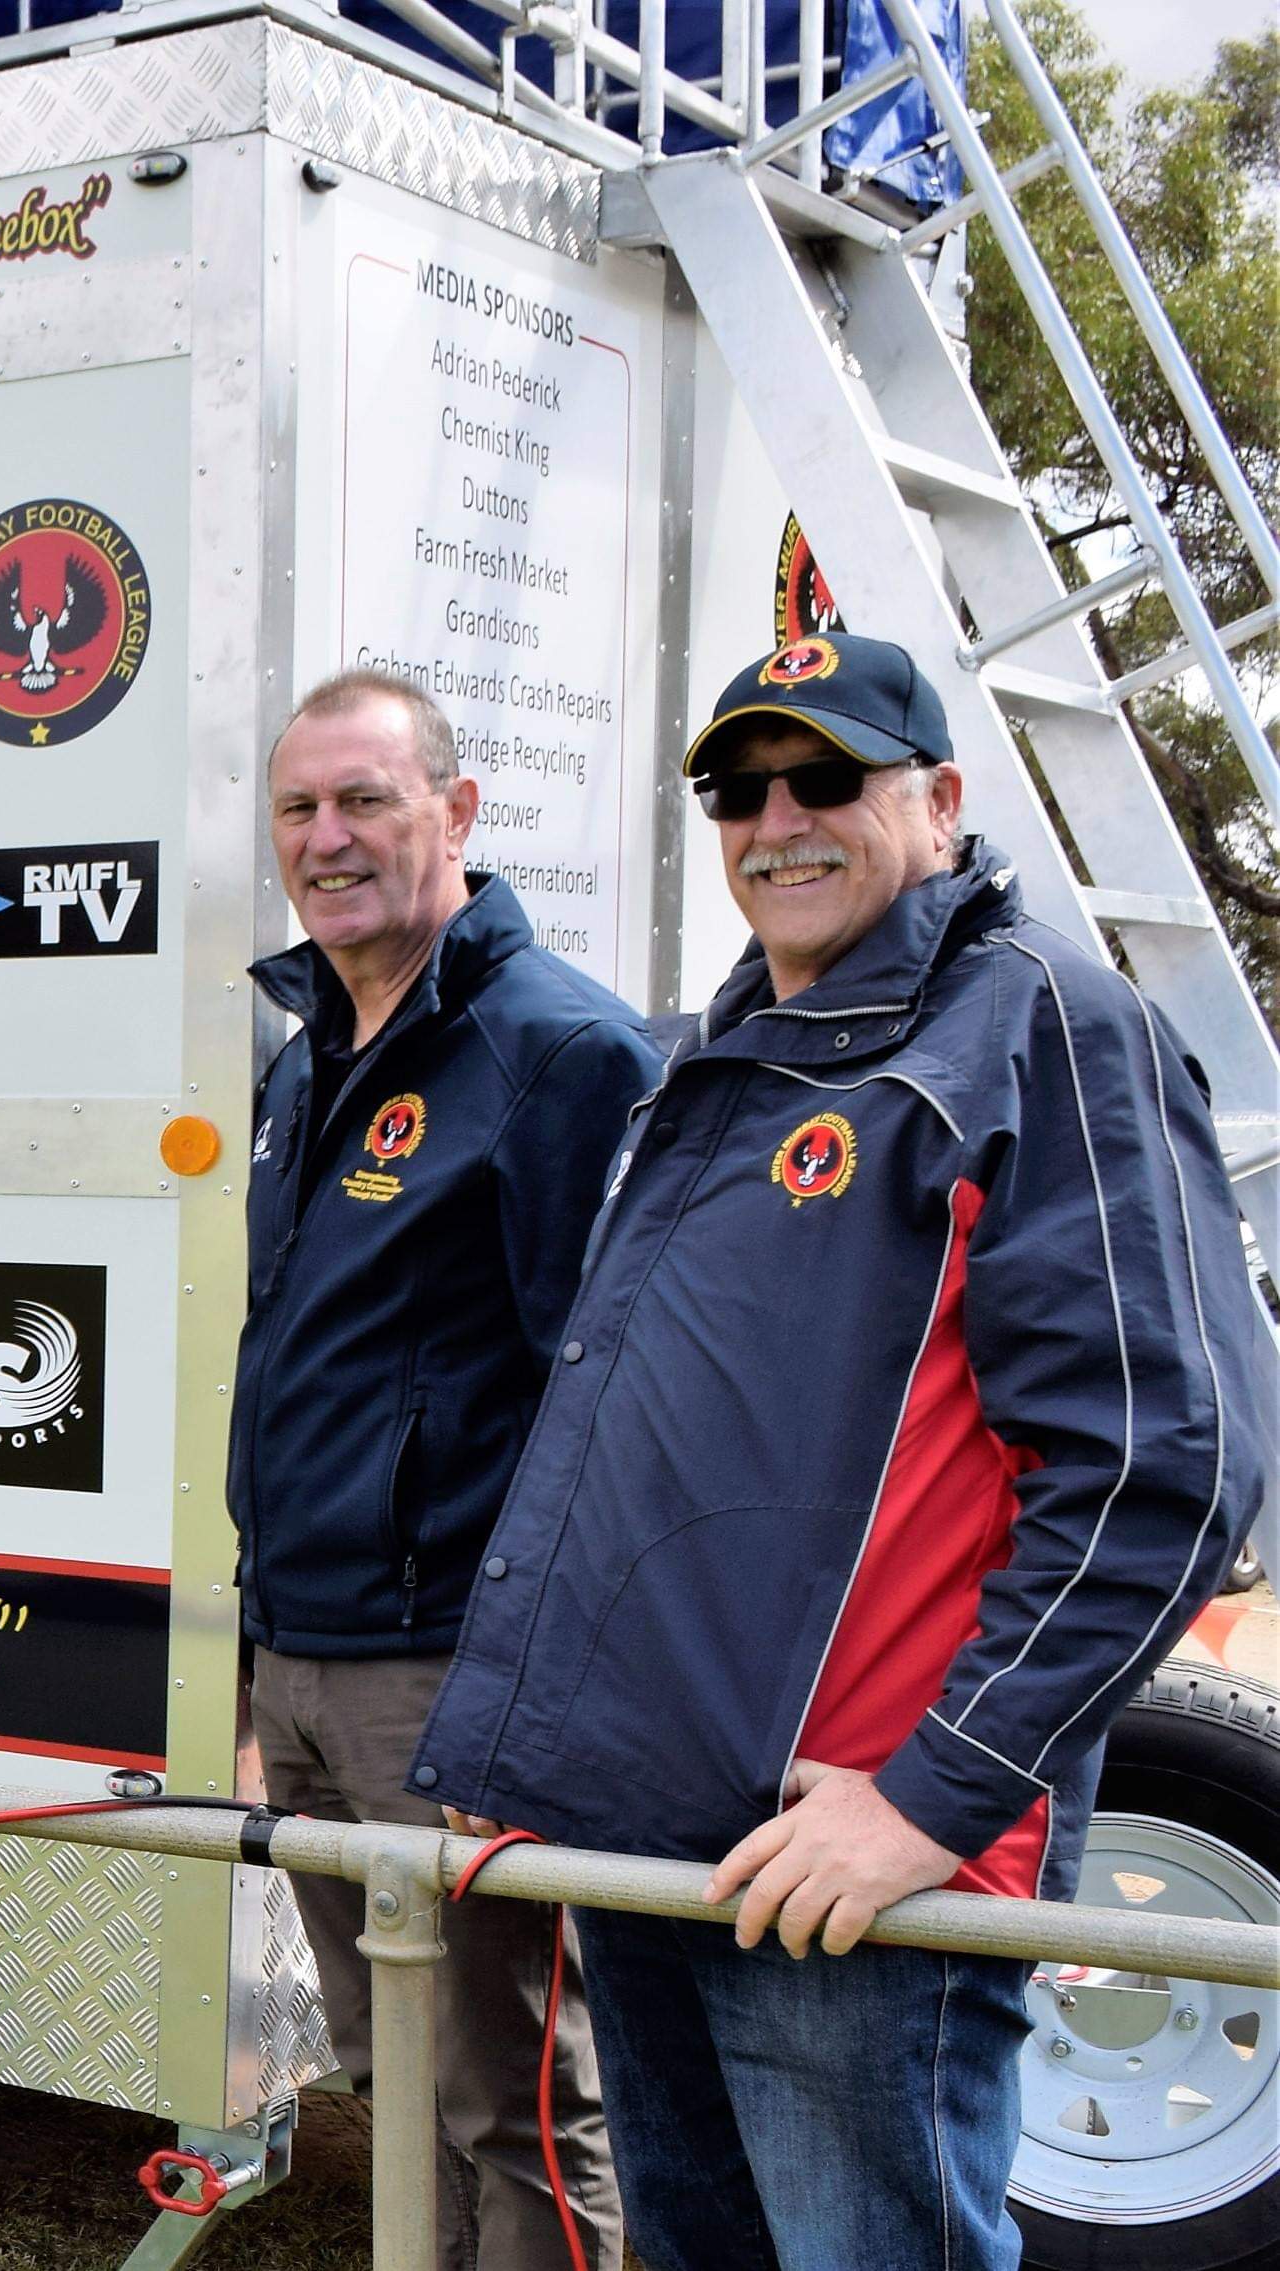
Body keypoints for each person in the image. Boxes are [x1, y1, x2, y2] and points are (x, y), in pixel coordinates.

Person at [415, 632, 1272, 2271]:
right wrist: (539, 1745)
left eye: (825, 777)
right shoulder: (718, 1063)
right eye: (737, 788)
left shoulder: (1042, 1032)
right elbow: (638, 1444)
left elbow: (1162, 1472)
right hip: (660, 1845)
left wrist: (925, 1800)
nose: (775, 817)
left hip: (854, 1875)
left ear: (937, 801)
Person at [231, 671, 648, 2270]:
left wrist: (517, 1699)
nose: (324, 839)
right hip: (309, 1656)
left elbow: (598, 1413)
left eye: (365, 800)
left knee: (512, 2098)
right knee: (382, 2072)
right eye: (297, 808)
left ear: (455, 813)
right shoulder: (304, 1056)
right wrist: (269, 1658)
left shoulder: (555, 1053)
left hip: (448, 1681)